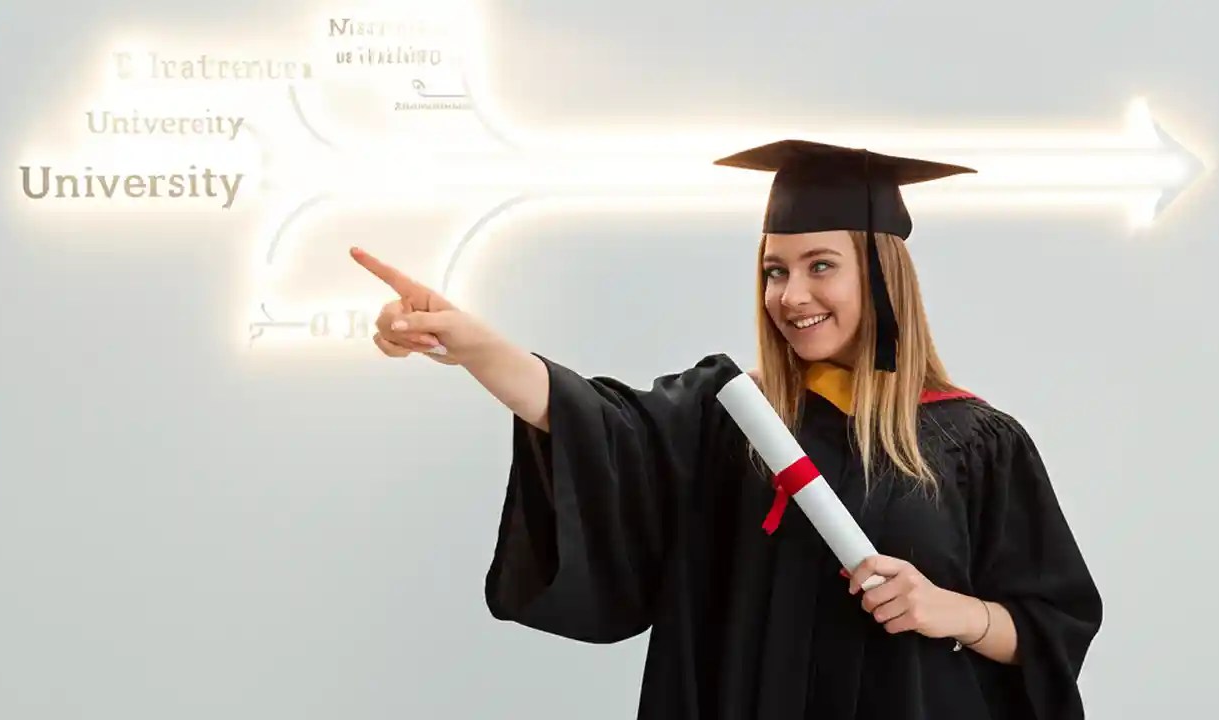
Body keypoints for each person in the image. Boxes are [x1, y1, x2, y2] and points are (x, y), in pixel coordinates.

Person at [349, 139, 1103, 719]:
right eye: (775, 270)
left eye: (820, 266)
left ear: (879, 275)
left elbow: (1051, 627)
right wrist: (476, 347)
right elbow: (596, 423)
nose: (791, 295)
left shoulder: (975, 441)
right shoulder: (730, 417)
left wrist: (953, 611)